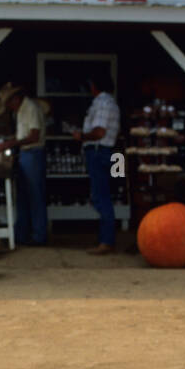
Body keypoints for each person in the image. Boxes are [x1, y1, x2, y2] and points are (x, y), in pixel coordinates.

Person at [74, 71, 121, 255]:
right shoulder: (112, 103)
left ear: (94, 86)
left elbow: (99, 132)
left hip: (98, 150)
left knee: (100, 196)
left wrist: (81, 136)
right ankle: (106, 237)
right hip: (108, 151)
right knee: (102, 194)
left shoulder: (102, 103)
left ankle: (106, 240)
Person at [0, 83, 47, 247]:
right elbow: (23, 134)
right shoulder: (20, 111)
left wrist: (12, 143)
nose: (10, 108)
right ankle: (21, 233)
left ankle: (39, 235)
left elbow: (34, 136)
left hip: (33, 153)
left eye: (9, 103)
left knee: (35, 196)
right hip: (25, 154)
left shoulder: (31, 108)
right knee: (23, 196)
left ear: (16, 99)